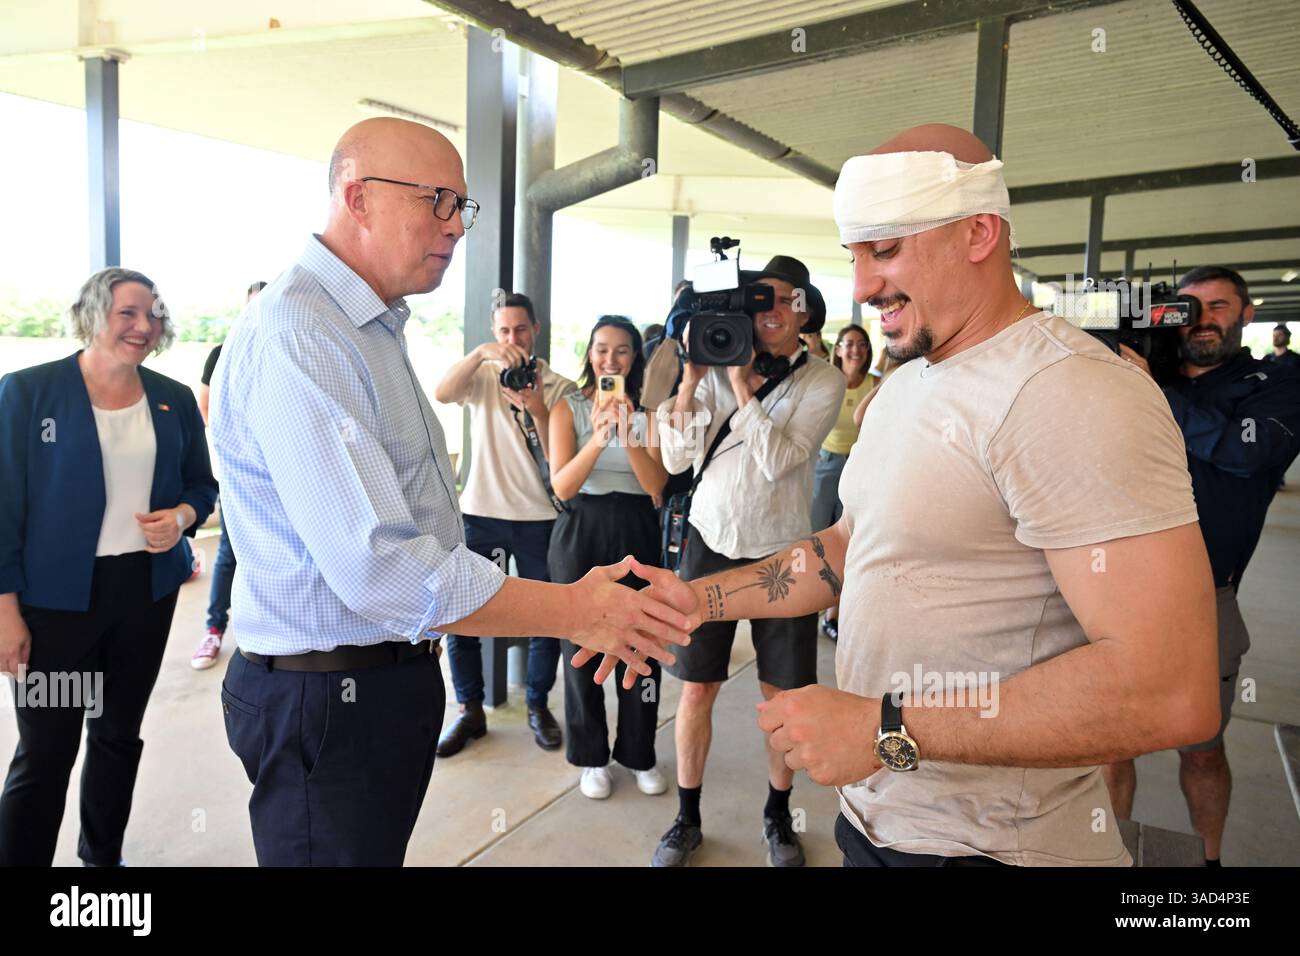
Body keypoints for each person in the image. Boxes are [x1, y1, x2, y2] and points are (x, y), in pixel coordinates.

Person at [588, 124, 1222, 867]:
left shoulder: (1071, 391)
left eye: (885, 250)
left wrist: (887, 729)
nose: (859, 288)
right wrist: (702, 601)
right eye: (854, 256)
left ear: (979, 232)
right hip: (874, 819)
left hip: (992, 850)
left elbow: (1168, 689)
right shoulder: (903, 384)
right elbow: (851, 548)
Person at [208, 118, 691, 866]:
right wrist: (573, 609)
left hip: (379, 681)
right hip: (326, 699)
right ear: (357, 196)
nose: (455, 227)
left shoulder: (367, 326)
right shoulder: (302, 334)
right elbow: (379, 565)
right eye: (437, 201)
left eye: (461, 207)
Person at [0, 269, 218, 866]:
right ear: (93, 314)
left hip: (143, 595)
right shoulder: (28, 393)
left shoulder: (171, 399)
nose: (143, 326)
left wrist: (180, 515)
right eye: (127, 313)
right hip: (56, 604)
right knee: (46, 752)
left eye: (152, 314)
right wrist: (5, 612)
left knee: (118, 736)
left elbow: (203, 486)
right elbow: (4, 510)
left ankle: (102, 861)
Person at [650, 255, 846, 867]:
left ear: (803, 308)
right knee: (697, 688)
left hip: (782, 554)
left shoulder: (823, 380)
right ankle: (686, 818)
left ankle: (777, 814)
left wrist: (740, 386)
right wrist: (688, 383)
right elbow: (679, 462)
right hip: (709, 541)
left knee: (779, 697)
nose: (764, 312)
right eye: (754, 301)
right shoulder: (714, 359)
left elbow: (781, 461)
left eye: (777, 300)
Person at [1104, 266, 1300, 866]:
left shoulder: (1276, 382)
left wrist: (1149, 394)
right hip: (1111, 591)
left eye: (1218, 306)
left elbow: (1249, 451)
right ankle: (1110, 857)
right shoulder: (1142, 369)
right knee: (1111, 745)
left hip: (1203, 599)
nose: (1202, 319)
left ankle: (1208, 864)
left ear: (1247, 314)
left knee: (1202, 749)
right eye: (1187, 308)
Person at [432, 292, 576, 755]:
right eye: (503, 332)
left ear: (536, 329)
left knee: (547, 621)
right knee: (464, 616)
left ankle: (537, 705)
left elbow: (563, 457)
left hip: (539, 519)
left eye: (520, 330)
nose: (512, 339)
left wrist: (535, 407)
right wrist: (480, 355)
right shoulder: (485, 377)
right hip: (482, 514)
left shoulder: (560, 386)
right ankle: (469, 710)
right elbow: (442, 393)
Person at [547, 315, 670, 799]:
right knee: (580, 649)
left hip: (637, 527)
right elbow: (561, 485)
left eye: (621, 350)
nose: (610, 359)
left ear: (634, 358)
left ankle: (639, 753)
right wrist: (599, 435)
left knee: (641, 646)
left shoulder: (652, 415)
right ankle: (591, 756)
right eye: (602, 349)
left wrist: (628, 431)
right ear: (590, 354)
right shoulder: (568, 407)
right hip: (581, 527)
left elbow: (657, 487)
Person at [192, 280, 267, 670]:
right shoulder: (223, 352)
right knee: (229, 550)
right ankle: (214, 628)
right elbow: (206, 408)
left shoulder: (283, 346)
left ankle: (267, 630)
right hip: (238, 472)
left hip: (281, 478)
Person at [810, 324, 876, 641]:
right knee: (817, 537)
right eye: (848, 344)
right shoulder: (827, 382)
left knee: (847, 540)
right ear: (837, 349)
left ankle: (832, 613)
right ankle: (809, 600)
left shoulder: (876, 384)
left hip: (860, 466)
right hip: (824, 465)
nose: (855, 350)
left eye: (861, 344)